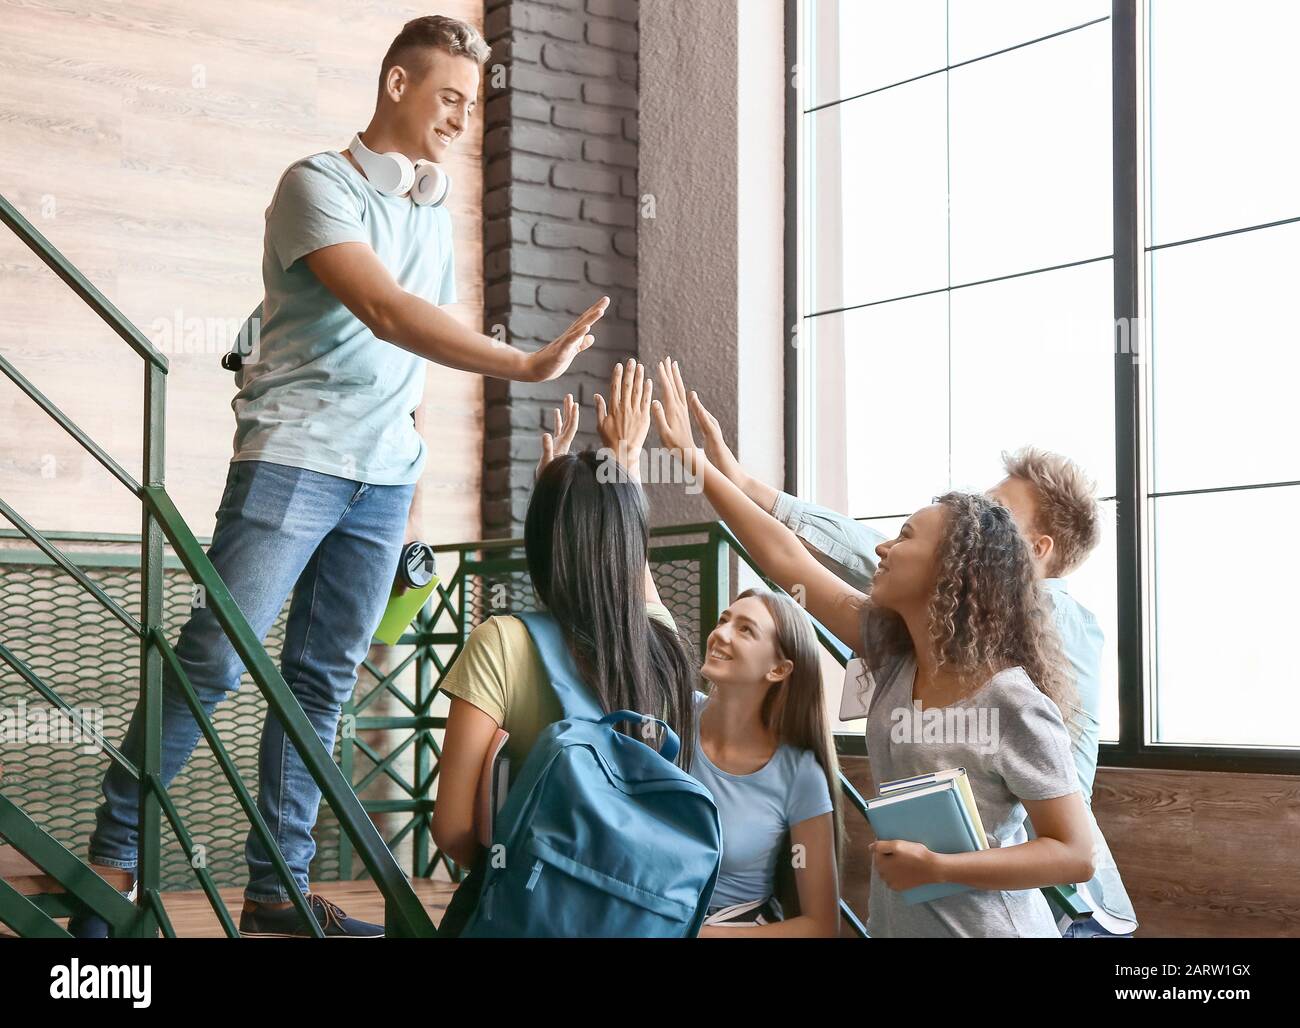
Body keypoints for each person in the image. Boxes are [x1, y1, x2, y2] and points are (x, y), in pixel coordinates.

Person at [79, 15, 609, 939]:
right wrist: (521, 364)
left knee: (322, 682)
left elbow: (412, 365)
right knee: (213, 659)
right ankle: (112, 861)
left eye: (471, 105)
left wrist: (410, 475)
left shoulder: (432, 213)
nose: (460, 118)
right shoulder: (314, 185)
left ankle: (277, 891)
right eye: (449, 96)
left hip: (384, 479)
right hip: (294, 458)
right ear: (397, 84)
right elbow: (384, 309)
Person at [650, 358, 1096, 937]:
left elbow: (1074, 852)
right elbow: (789, 561)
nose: (882, 548)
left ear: (952, 572)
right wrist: (696, 466)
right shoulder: (894, 655)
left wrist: (941, 867)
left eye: (905, 536)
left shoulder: (1013, 701)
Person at [432, 360, 699, 935]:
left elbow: (453, 828)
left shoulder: (501, 643)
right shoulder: (667, 649)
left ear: (540, 544)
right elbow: (631, 577)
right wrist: (617, 469)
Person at [692, 589, 841, 937]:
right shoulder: (667, 719)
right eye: (723, 620)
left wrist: (694, 934)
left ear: (778, 669)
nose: (720, 634)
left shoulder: (800, 776)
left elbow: (820, 927)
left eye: (745, 630)